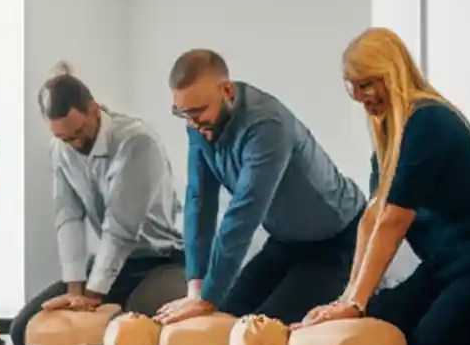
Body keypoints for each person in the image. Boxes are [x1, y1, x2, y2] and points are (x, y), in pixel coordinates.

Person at [294, 28, 470, 345]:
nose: (361, 97)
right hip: (442, 267)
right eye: (354, 87)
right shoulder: (390, 137)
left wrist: (354, 302)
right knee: (379, 324)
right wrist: (350, 300)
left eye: (367, 84)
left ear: (392, 73)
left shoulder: (429, 120)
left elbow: (394, 220)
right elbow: (373, 218)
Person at [155, 49, 366, 327]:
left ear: (227, 91)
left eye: (197, 112)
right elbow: (198, 200)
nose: (193, 123)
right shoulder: (198, 123)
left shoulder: (267, 124)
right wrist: (196, 287)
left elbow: (244, 212)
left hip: (335, 241)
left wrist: (207, 298)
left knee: (256, 330)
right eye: (182, 113)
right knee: (223, 316)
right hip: (284, 241)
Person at [10, 63, 184, 345]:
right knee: (22, 330)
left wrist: (91, 297)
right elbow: (68, 218)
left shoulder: (136, 142)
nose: (74, 144)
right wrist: (75, 288)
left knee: (132, 328)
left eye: (79, 133)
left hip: (161, 259)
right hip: (111, 264)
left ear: (93, 110)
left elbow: (121, 229)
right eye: (64, 138)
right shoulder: (61, 147)